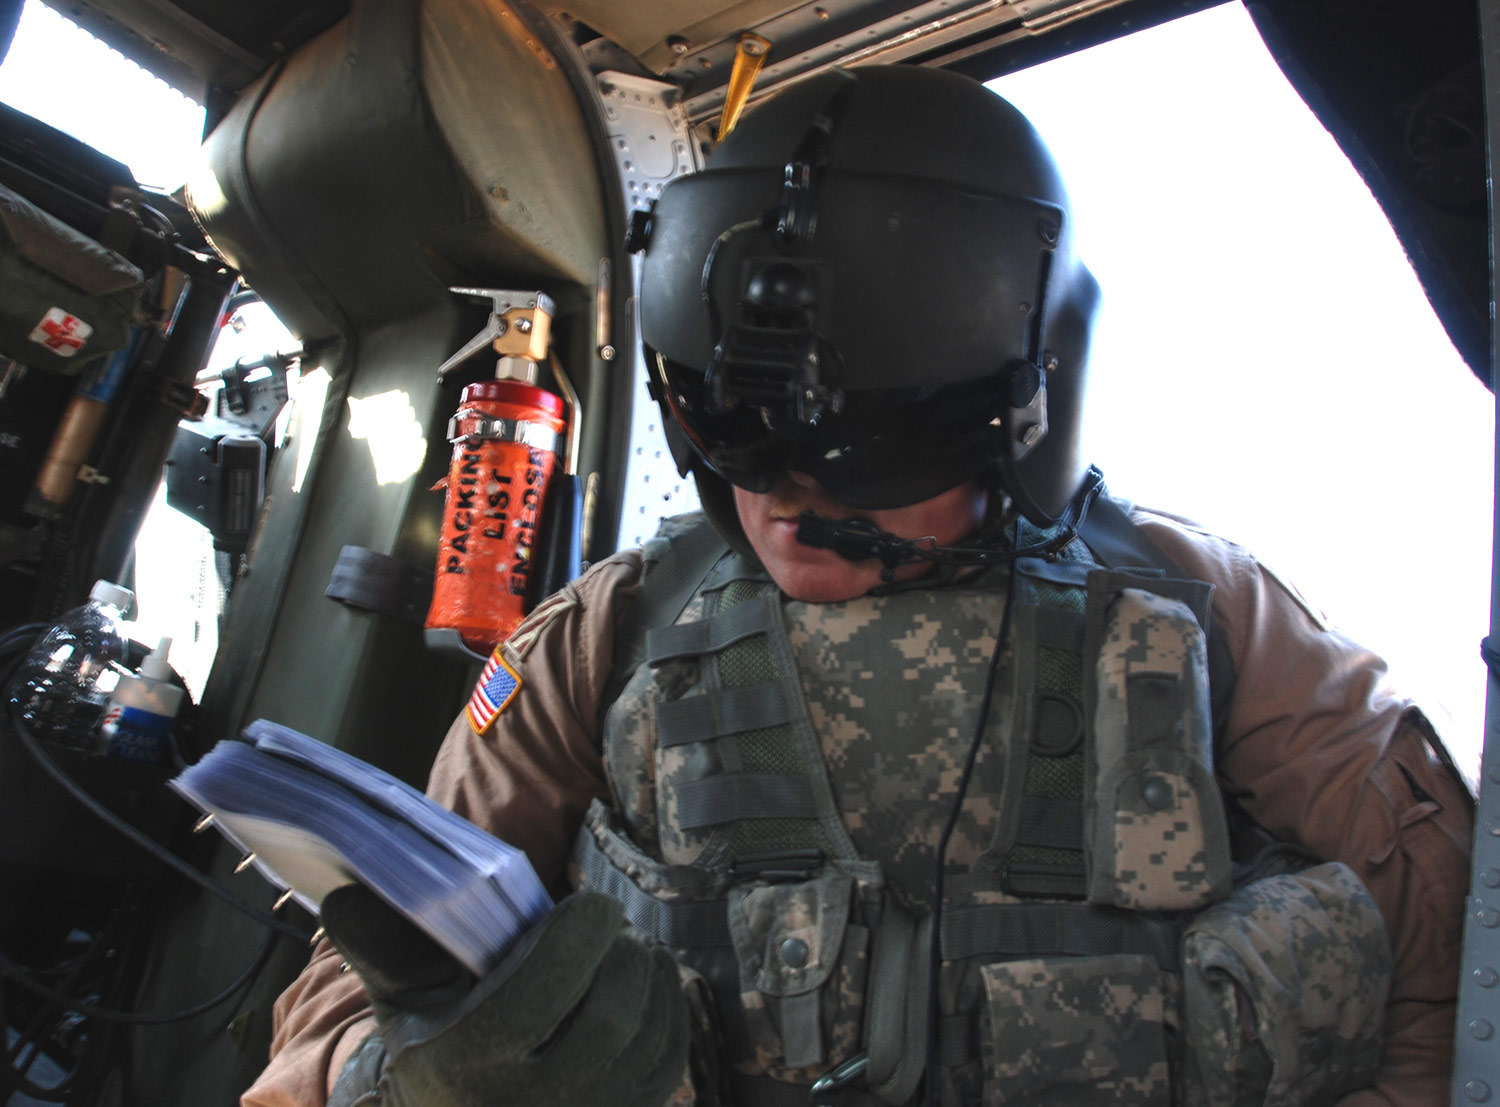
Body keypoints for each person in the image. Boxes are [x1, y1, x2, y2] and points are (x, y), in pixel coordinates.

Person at [242, 65, 1474, 1106]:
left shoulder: (1196, 607)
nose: (786, 505)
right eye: (731, 434)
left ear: (1024, 414)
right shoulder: (606, 637)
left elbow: (1451, 950)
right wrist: (406, 1073)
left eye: (866, 456)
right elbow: (354, 985)